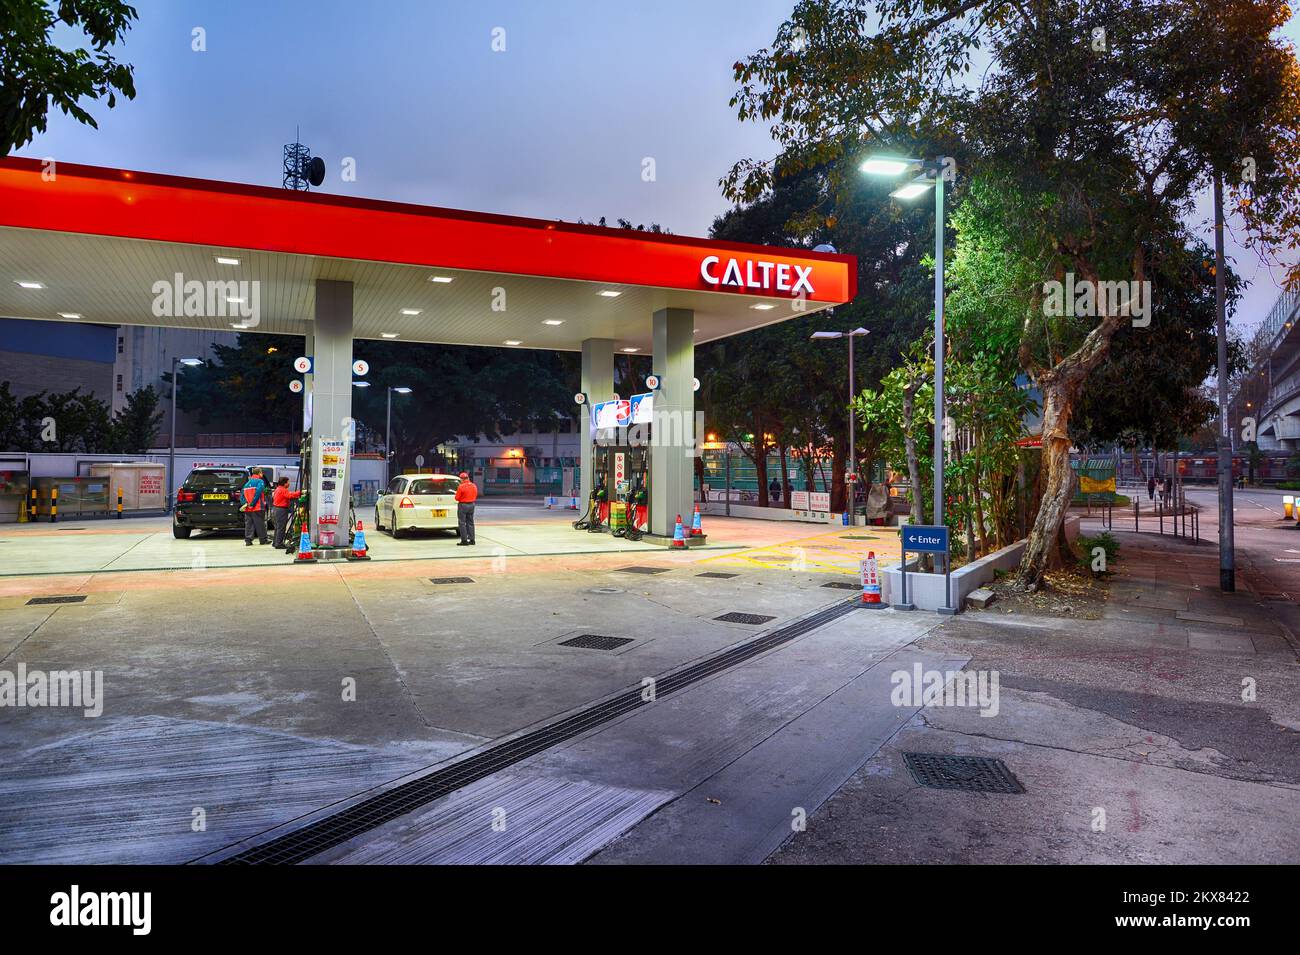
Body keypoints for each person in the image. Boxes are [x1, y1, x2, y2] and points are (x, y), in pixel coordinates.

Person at [270, 476, 301, 549]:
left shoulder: (278, 489)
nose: (289, 483)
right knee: (281, 527)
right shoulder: (283, 490)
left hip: (276, 509)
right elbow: (290, 495)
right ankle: (279, 544)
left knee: (278, 527)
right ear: (285, 483)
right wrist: (300, 492)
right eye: (288, 482)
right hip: (281, 509)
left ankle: (275, 542)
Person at [241, 467, 269, 546]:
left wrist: (246, 503)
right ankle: (263, 540)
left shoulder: (247, 483)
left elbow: (242, 496)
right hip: (258, 507)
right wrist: (252, 503)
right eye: (261, 473)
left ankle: (248, 540)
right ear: (259, 473)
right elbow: (258, 493)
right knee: (260, 524)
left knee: (249, 524)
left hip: (248, 508)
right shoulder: (260, 481)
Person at [454, 471, 478, 546]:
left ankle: (464, 540)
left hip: (463, 505)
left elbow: (456, 498)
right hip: (472, 505)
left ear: (462, 479)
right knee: (470, 522)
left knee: (462, 523)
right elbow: (476, 494)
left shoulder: (461, 486)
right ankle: (472, 539)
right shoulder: (474, 485)